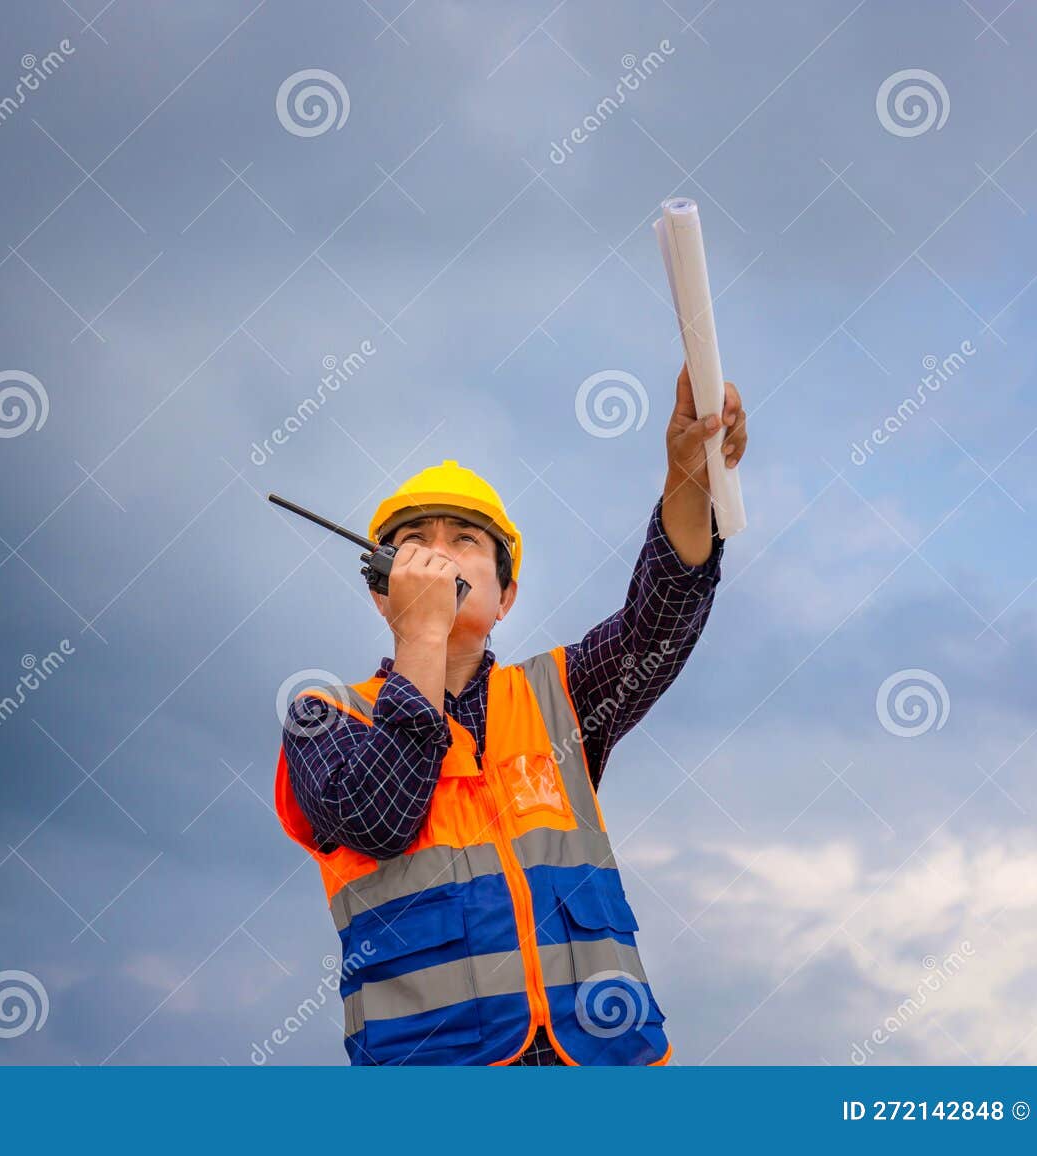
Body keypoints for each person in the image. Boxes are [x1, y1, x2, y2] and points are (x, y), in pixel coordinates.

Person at [273, 364, 748, 1065]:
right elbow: (378, 821)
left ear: (506, 596)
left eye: (465, 540)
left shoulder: (559, 695)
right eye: (416, 541)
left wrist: (689, 475)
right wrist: (423, 638)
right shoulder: (324, 715)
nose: (439, 554)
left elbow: (662, 617)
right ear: (382, 589)